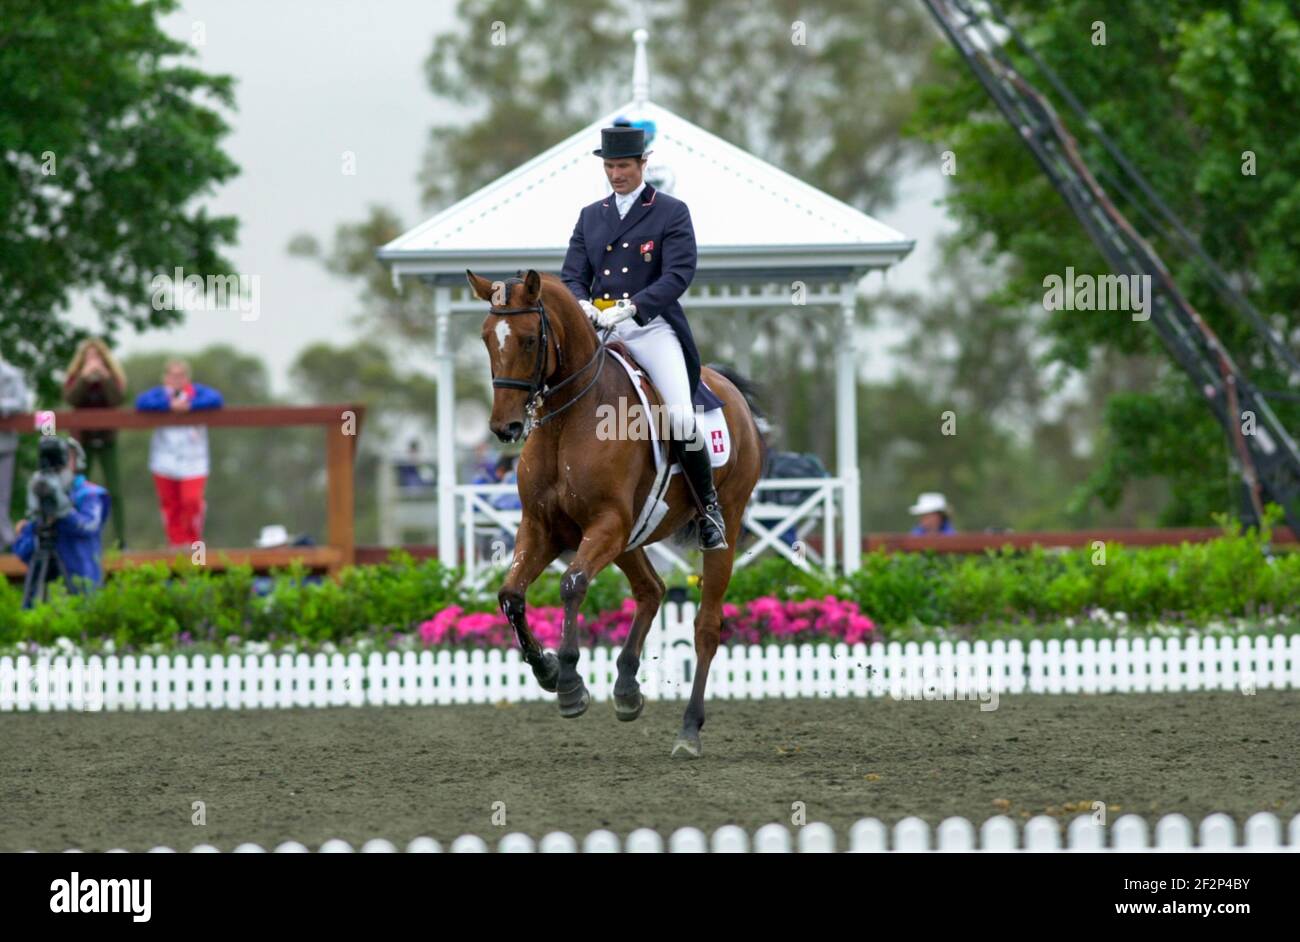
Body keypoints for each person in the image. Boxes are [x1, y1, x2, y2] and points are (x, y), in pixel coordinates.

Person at [560, 123, 726, 550]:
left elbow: (678, 273)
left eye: (624, 166)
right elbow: (573, 274)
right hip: (600, 330)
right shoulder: (590, 216)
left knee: (682, 417)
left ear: (642, 164)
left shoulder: (670, 211)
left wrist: (634, 306)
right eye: (610, 167)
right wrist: (580, 304)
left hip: (649, 327)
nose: (616, 174)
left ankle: (708, 510)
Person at [135, 360, 224, 548]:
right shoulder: (159, 395)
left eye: (180, 376)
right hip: (164, 460)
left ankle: (195, 548)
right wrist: (168, 405)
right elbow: (141, 402)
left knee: (192, 502)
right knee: (170, 506)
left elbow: (216, 399)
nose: (176, 380)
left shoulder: (196, 393)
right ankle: (175, 546)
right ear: (166, 378)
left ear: (187, 378)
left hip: (194, 461)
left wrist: (189, 405)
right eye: (172, 376)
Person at [14, 436, 111, 600]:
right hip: (50, 588)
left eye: (67, 457)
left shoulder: (90, 494)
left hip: (83, 583)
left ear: (77, 461)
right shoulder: (43, 491)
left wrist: (64, 512)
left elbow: (89, 526)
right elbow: (24, 554)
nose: (59, 465)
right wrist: (29, 529)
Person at [63, 338, 128, 548]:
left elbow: (117, 399)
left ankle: (121, 542)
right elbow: (71, 399)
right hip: (83, 441)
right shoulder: (75, 377)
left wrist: (105, 377)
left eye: (97, 357)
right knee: (78, 487)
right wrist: (84, 378)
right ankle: (76, 536)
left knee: (115, 490)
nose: (93, 361)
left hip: (107, 439)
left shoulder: (113, 377)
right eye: (89, 357)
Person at [0, 354, 32, 550]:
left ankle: (9, 542)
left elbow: (22, 403)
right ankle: (9, 540)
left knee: (2, 498)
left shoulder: (12, 375)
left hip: (4, 446)